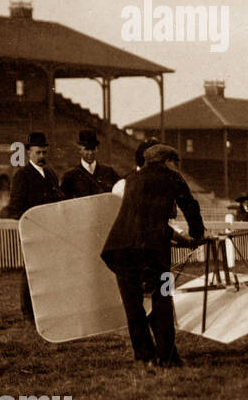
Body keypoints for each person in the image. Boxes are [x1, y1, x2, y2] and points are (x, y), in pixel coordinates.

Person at [101, 144, 206, 370]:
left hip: (120, 251)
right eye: (175, 163)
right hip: (151, 252)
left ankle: (144, 356)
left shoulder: (132, 180)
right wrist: (196, 236)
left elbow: (146, 222)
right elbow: (190, 207)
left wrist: (183, 240)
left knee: (134, 305)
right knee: (163, 300)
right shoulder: (172, 178)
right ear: (169, 161)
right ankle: (167, 357)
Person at [3, 131, 65, 321]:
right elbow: (16, 206)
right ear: (28, 153)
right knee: (31, 272)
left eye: (44, 153)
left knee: (49, 270)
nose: (41, 157)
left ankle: (47, 309)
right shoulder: (22, 175)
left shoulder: (51, 174)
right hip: (32, 231)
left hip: (50, 230)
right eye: (38, 153)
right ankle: (28, 312)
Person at [60, 129, 121, 198]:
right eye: (87, 149)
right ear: (79, 149)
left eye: (93, 149)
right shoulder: (70, 177)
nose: (90, 153)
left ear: (97, 149)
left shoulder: (109, 172)